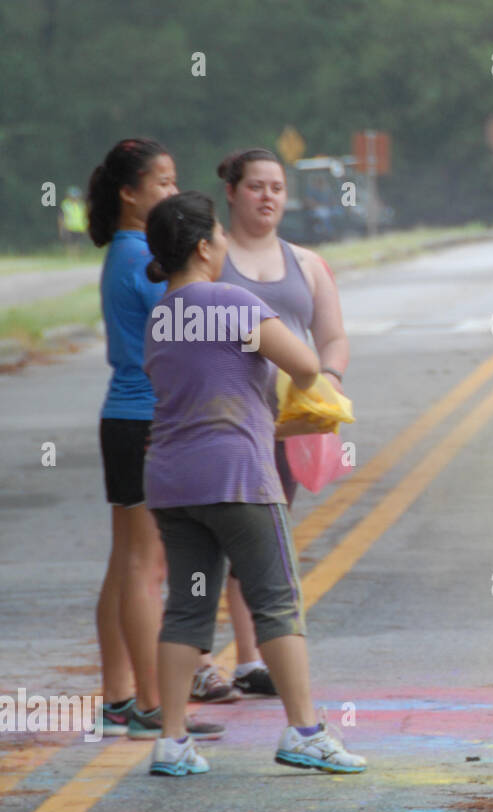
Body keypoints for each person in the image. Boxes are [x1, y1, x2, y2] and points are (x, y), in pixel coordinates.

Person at [141, 190, 367, 777]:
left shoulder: (160, 314)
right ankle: (305, 731)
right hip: (238, 476)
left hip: (171, 483)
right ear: (201, 246)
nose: (224, 245)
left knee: (187, 610)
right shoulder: (232, 301)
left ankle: (171, 739)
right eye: (218, 236)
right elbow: (308, 364)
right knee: (275, 600)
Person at [86, 138, 229, 744]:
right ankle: (149, 702)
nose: (171, 192)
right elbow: (190, 309)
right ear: (130, 193)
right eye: (162, 184)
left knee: (128, 562)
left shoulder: (125, 252)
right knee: (148, 565)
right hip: (145, 420)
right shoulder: (140, 259)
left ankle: (119, 694)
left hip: (126, 418)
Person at [195, 147, 351, 699]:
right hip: (224, 420)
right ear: (232, 192)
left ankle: (250, 662)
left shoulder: (306, 263)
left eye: (277, 188)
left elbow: (331, 336)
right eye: (256, 186)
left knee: (266, 532)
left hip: (286, 426)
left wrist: (327, 378)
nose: (268, 197)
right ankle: (205, 656)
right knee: (224, 538)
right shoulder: (211, 258)